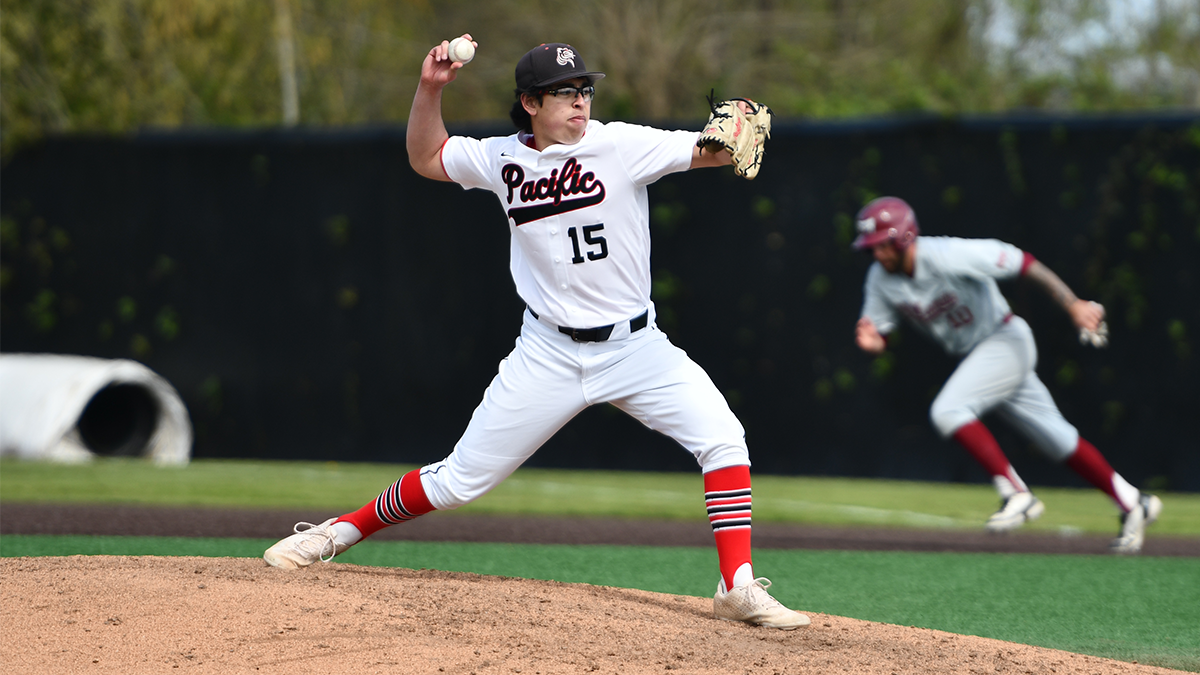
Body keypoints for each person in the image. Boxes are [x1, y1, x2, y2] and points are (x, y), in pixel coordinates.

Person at [263, 36, 810, 629]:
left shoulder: (621, 144)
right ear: (529, 102)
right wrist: (430, 89)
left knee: (724, 439)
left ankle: (738, 585)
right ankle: (334, 534)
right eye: (564, 93)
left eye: (585, 90)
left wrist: (729, 139)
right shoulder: (501, 159)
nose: (580, 102)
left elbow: (706, 151)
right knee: (459, 480)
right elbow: (426, 157)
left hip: (636, 347)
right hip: (547, 352)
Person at [850, 196, 1162, 554]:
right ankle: (1133, 501)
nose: (877, 254)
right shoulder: (879, 279)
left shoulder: (947, 255)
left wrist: (1072, 304)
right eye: (871, 248)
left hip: (1005, 339)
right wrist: (874, 343)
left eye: (882, 245)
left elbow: (1020, 262)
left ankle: (1016, 493)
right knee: (1058, 440)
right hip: (981, 355)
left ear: (904, 237)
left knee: (948, 410)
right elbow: (880, 332)